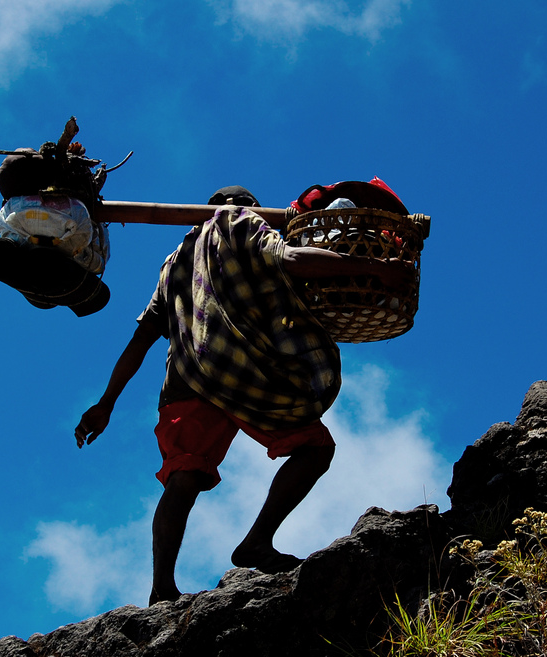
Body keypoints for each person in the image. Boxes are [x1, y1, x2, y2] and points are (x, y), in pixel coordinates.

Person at [73, 185, 414, 604]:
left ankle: (161, 587)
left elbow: (140, 339)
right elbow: (290, 259)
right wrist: (374, 268)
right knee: (315, 449)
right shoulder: (238, 220)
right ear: (249, 206)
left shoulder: (174, 262)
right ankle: (256, 541)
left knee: (183, 475)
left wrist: (106, 403)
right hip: (243, 369)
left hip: (186, 380)